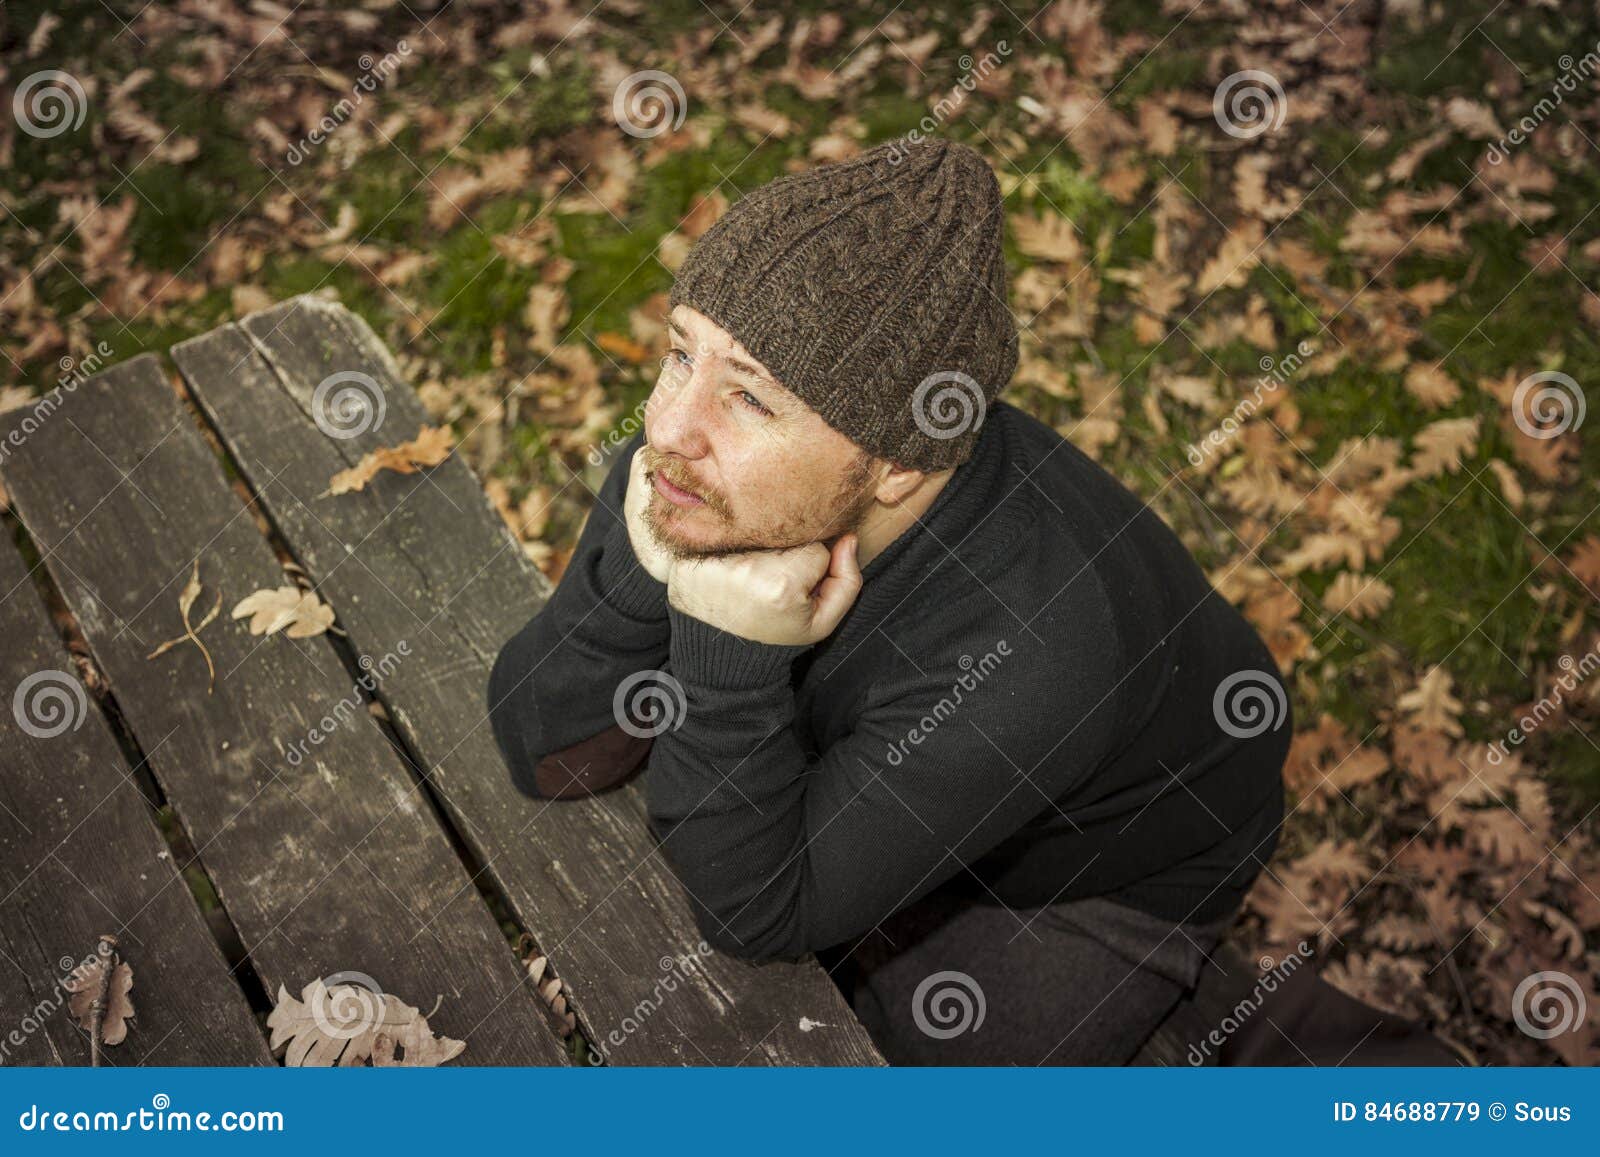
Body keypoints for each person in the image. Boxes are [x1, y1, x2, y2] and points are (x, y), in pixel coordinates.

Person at [486, 136, 1290, 1065]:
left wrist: (728, 661)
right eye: (680, 352)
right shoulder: (696, 477)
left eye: (750, 398)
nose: (666, 425)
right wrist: (646, 565)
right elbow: (541, 752)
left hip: (1094, 865)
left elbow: (755, 912)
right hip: (910, 746)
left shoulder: (1037, 647)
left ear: (899, 465)